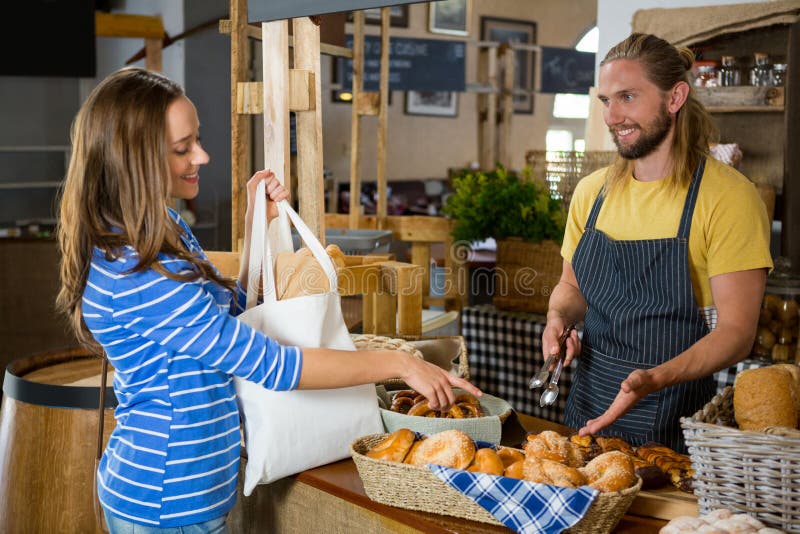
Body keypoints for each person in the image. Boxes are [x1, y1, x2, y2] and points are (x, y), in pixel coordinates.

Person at [56, 67, 480, 532]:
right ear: (130, 158)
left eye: (196, 139)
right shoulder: (135, 268)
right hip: (165, 501)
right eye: (182, 148)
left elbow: (234, 312)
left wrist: (254, 223)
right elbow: (271, 365)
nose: (202, 154)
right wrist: (399, 363)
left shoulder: (163, 230)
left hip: (188, 492)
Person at [542, 33, 772, 453]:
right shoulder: (591, 193)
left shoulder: (728, 198)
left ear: (675, 97)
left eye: (628, 97)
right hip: (587, 416)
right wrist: (557, 316)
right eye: (606, 101)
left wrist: (653, 379)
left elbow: (738, 333)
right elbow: (572, 288)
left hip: (677, 427)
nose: (613, 116)